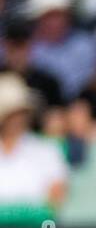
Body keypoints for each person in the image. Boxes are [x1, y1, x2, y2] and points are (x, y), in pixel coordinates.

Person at [0, 72, 67, 209]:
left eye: (20, 112)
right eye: (11, 113)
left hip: (35, 227)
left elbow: (57, 195)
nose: (17, 119)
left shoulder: (46, 149)